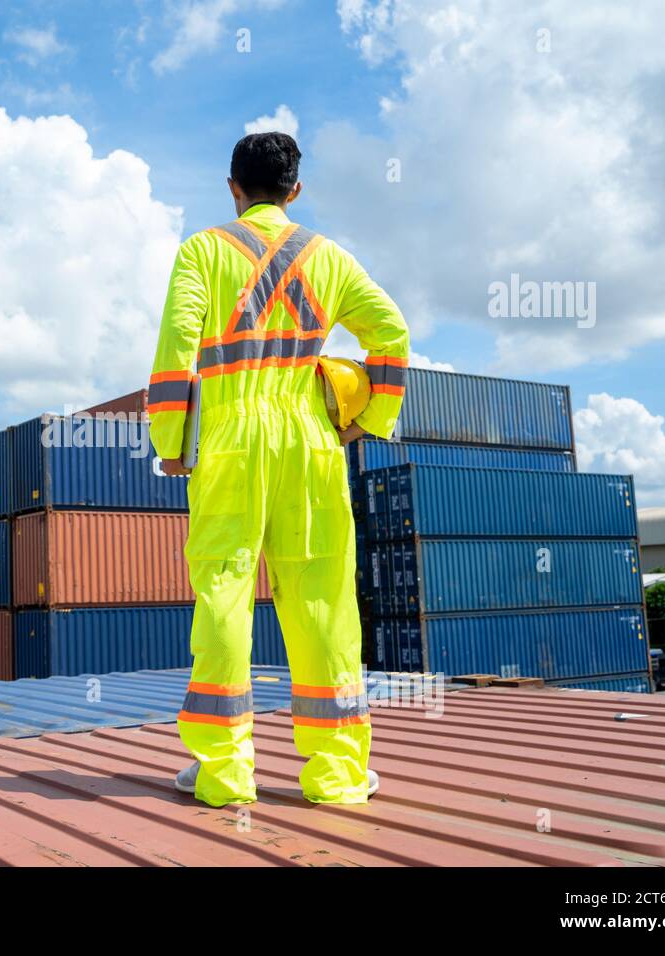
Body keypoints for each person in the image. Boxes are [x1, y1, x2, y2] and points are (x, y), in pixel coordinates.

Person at [146, 131, 409, 807]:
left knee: (226, 592)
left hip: (231, 436)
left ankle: (225, 773)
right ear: (296, 191)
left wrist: (171, 438)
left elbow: (178, 346)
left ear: (232, 187)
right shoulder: (330, 258)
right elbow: (392, 333)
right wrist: (368, 419)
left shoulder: (203, 251)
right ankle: (338, 774)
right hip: (311, 438)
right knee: (323, 598)